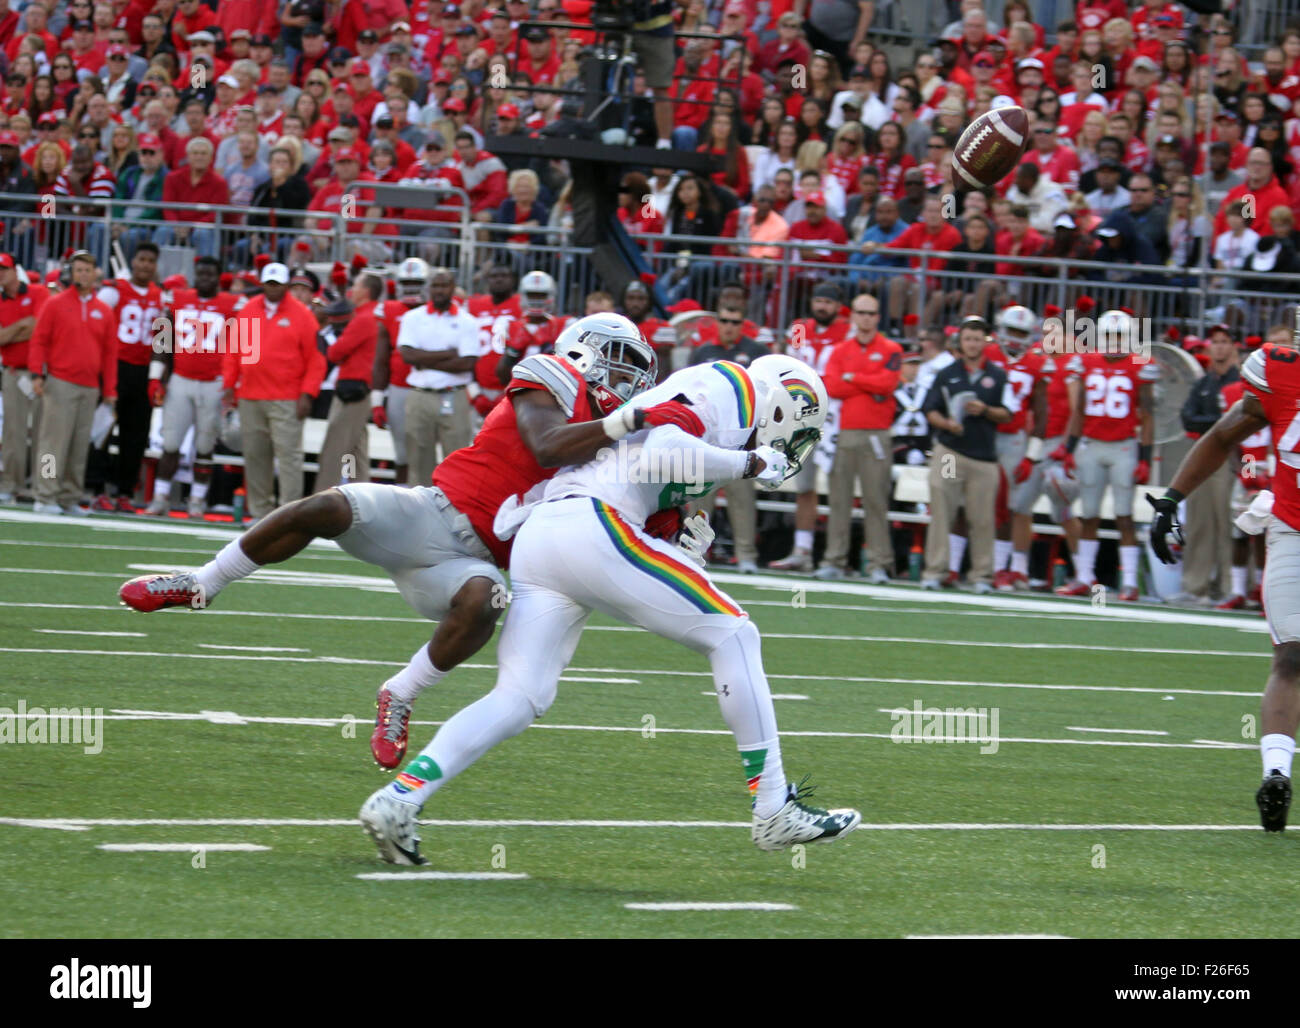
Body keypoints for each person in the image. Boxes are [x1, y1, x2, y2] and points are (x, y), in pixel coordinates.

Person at [121, 315, 702, 775]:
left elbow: (643, 536)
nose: (630, 386)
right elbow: (547, 445)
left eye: (637, 377)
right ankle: (204, 583)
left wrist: (681, 528)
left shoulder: (628, 443)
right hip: (432, 514)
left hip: (480, 564)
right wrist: (630, 427)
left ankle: (400, 693)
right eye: (621, 367)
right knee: (329, 504)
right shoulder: (554, 377)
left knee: (486, 601)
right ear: (583, 351)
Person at [358, 353, 861, 864]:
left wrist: (685, 544)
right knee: (734, 633)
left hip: (550, 536)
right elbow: (664, 449)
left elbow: (655, 485)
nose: (794, 447)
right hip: (590, 525)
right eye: (800, 431)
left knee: (520, 695)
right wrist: (750, 463)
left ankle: (399, 798)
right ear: (784, 404)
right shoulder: (733, 385)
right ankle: (773, 804)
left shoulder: (720, 413)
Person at [1148, 327, 1300, 831]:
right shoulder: (1280, 374)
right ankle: (1275, 774)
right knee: (1292, 654)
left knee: (1293, 658)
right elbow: (1219, 436)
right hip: (1293, 527)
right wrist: (1172, 497)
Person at [1054, 311, 1160, 601]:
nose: (1114, 343)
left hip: (1124, 447)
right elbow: (1079, 411)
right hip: (1091, 445)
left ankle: (1129, 582)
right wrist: (1070, 448)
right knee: (1088, 515)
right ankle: (1084, 576)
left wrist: (1144, 458)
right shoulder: (1087, 362)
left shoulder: (1141, 364)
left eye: (1119, 337)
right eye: (1110, 337)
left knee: (1124, 516)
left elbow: (1148, 416)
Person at [219, 261, 325, 521]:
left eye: (278, 284)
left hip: (286, 397)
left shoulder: (302, 315)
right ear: (263, 284)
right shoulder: (248, 311)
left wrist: (307, 393)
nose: (273, 288)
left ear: (286, 285)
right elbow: (235, 350)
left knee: (289, 457)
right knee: (256, 456)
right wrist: (229, 385)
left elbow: (316, 359)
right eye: (269, 283)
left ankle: (290, 515)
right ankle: (260, 514)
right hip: (251, 395)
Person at [921, 316, 1017, 593]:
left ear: (985, 341)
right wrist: (947, 423)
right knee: (942, 512)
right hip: (951, 450)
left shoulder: (998, 375)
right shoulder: (947, 372)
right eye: (968, 339)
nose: (972, 344)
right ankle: (935, 571)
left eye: (977, 338)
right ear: (960, 342)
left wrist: (985, 410)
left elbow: (1008, 413)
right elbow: (931, 409)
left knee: (982, 518)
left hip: (983, 455)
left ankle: (982, 575)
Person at [145, 257, 243, 518]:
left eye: (210, 275)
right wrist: (156, 378)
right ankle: (160, 497)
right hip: (181, 379)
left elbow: (244, 346)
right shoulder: (177, 300)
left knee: (204, 445)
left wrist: (236, 385)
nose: (204, 279)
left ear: (220, 278)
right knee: (171, 443)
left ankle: (197, 501)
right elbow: (162, 341)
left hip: (214, 383)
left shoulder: (232, 305)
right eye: (200, 274)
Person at [816, 293, 901, 581]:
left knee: (875, 500)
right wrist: (866, 381)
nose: (866, 318)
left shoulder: (892, 349)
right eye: (861, 312)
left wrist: (854, 377)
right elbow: (833, 386)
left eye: (871, 313)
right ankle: (834, 560)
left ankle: (879, 563)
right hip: (845, 431)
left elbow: (887, 384)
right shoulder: (839, 351)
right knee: (839, 500)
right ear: (852, 315)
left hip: (876, 433)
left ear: (878, 317)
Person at [27, 251, 118, 515]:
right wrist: (36, 374)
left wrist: (110, 390)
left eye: (87, 270)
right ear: (71, 273)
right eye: (78, 270)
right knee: (52, 443)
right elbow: (39, 341)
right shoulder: (54, 305)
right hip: (60, 383)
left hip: (90, 387)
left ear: (95, 274)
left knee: (80, 446)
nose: (83, 275)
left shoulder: (104, 311)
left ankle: (69, 496)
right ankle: (45, 496)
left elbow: (110, 354)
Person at [771, 282, 850, 571]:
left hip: (837, 418)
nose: (821, 307)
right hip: (802, 417)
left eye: (827, 302)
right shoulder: (800, 328)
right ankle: (802, 551)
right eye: (818, 300)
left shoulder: (848, 331)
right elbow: (788, 368)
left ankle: (836, 556)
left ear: (838, 306)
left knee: (839, 488)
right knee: (804, 486)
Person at [689, 304, 768, 573]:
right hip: (709, 434)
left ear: (742, 323)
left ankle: (746, 554)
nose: (729, 326)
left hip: (742, 436)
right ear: (716, 322)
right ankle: (694, 553)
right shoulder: (703, 353)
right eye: (724, 320)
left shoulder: (756, 353)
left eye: (734, 320)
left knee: (742, 498)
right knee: (700, 497)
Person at [86, 242, 164, 511]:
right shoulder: (114, 290)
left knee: (136, 435)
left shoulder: (161, 296)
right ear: (133, 262)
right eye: (141, 259)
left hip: (144, 371)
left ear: (156, 265)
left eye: (150, 261)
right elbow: (94, 323)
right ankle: (97, 488)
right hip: (115, 367)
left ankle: (124, 491)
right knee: (103, 430)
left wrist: (157, 377)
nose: (145, 265)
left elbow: (162, 340)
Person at [1174, 324, 1241, 603]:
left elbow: (1237, 422)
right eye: (1215, 342)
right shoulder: (1203, 383)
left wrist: (1213, 426)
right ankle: (1195, 586)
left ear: (1234, 347)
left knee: (1226, 523)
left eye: (1225, 341)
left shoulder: (1239, 382)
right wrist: (1217, 423)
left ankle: (1227, 588)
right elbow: (1187, 418)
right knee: (1199, 522)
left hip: (1229, 456)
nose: (1220, 347)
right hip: (1202, 455)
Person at [397, 266, 480, 486]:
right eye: (435, 285)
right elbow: (407, 355)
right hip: (420, 395)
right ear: (428, 288)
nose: (439, 290)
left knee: (457, 458)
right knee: (418, 457)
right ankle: (419, 510)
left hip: (454, 395)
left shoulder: (467, 321)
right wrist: (448, 354)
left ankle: (456, 509)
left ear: (453, 288)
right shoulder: (412, 317)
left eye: (444, 285)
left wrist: (423, 361)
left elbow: (467, 363)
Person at [315, 272, 385, 492]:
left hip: (352, 392)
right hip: (362, 389)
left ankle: (321, 503)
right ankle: (361, 497)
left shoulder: (363, 318)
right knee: (355, 451)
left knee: (334, 451)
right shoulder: (374, 315)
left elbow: (335, 352)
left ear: (365, 291)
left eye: (355, 286)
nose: (351, 291)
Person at [0, 253, 49, 504]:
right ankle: (11, 484)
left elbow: (40, 328)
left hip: (40, 373)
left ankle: (42, 486)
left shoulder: (39, 292)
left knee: (46, 433)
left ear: (14, 270)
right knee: (12, 433)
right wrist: (23, 326)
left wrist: (9, 332)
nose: (0, 274)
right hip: (12, 372)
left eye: (4, 269)